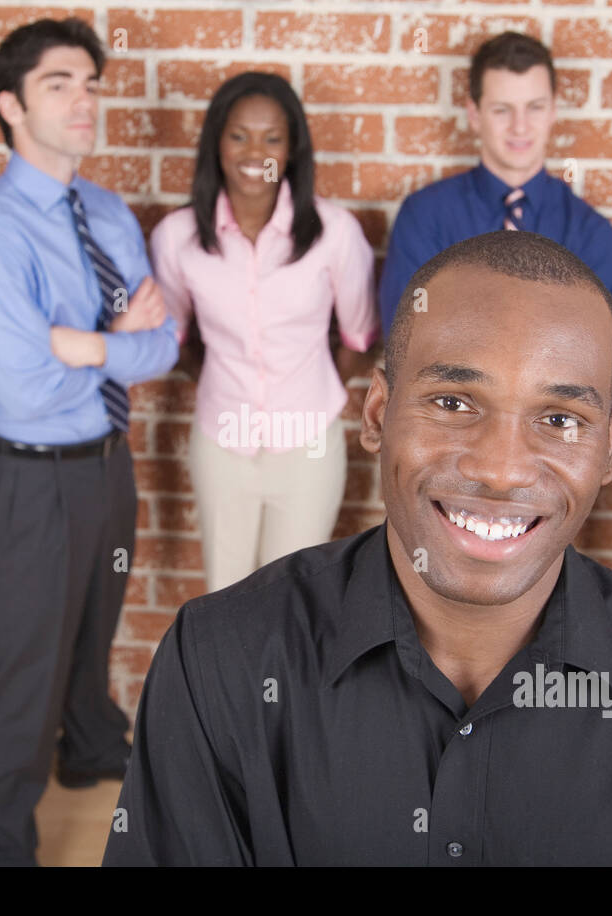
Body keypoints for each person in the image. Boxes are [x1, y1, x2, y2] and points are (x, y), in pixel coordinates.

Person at [103, 231, 612, 866]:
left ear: (609, 448)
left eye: (560, 419)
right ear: (378, 414)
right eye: (454, 404)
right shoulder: (219, 661)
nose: (500, 469)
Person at [0, 18, 178, 867]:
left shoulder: (107, 212)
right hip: (29, 481)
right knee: (25, 671)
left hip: (108, 467)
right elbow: (22, 388)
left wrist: (81, 339)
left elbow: (166, 344)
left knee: (90, 637)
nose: (85, 101)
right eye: (58, 85)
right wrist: (115, 339)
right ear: (10, 105)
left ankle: (87, 752)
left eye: (90, 84)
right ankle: (2, 839)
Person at [150, 72, 379, 593]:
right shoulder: (177, 238)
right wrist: (217, 376)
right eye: (239, 135)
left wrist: (323, 388)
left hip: (308, 448)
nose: (256, 151)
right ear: (217, 143)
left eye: (272, 137)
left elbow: (360, 336)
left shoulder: (333, 233)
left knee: (296, 601)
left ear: (292, 147)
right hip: (221, 443)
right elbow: (174, 336)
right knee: (224, 600)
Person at [378, 32, 612, 339]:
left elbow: (600, 352)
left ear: (553, 111)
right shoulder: (425, 217)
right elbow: (407, 340)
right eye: (502, 110)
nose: (519, 126)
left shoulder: (590, 232)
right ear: (474, 114)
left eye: (534, 107)